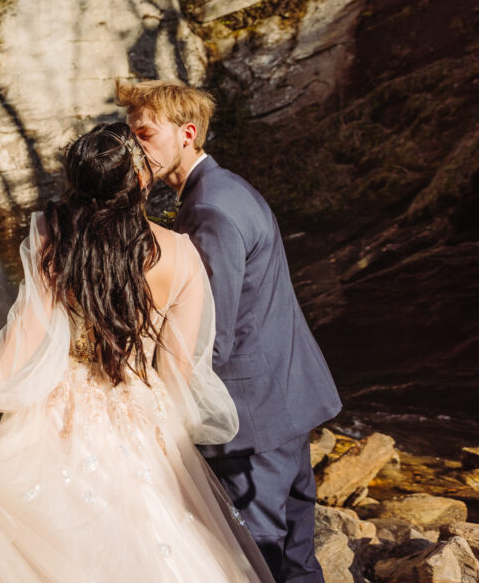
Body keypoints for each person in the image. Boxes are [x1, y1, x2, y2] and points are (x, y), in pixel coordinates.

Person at [0, 123, 274, 583]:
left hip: (61, 410)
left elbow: (26, 329)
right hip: (140, 408)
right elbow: (177, 369)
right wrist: (169, 439)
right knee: (157, 532)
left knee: (63, 538)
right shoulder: (181, 254)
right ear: (140, 181)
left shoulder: (55, 235)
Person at [119, 80, 341, 583]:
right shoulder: (228, 188)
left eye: (145, 134)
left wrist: (163, 411)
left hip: (248, 422)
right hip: (285, 400)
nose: (135, 147)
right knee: (297, 559)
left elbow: (206, 336)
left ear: (187, 133)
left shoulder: (208, 211)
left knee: (256, 558)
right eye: (131, 135)